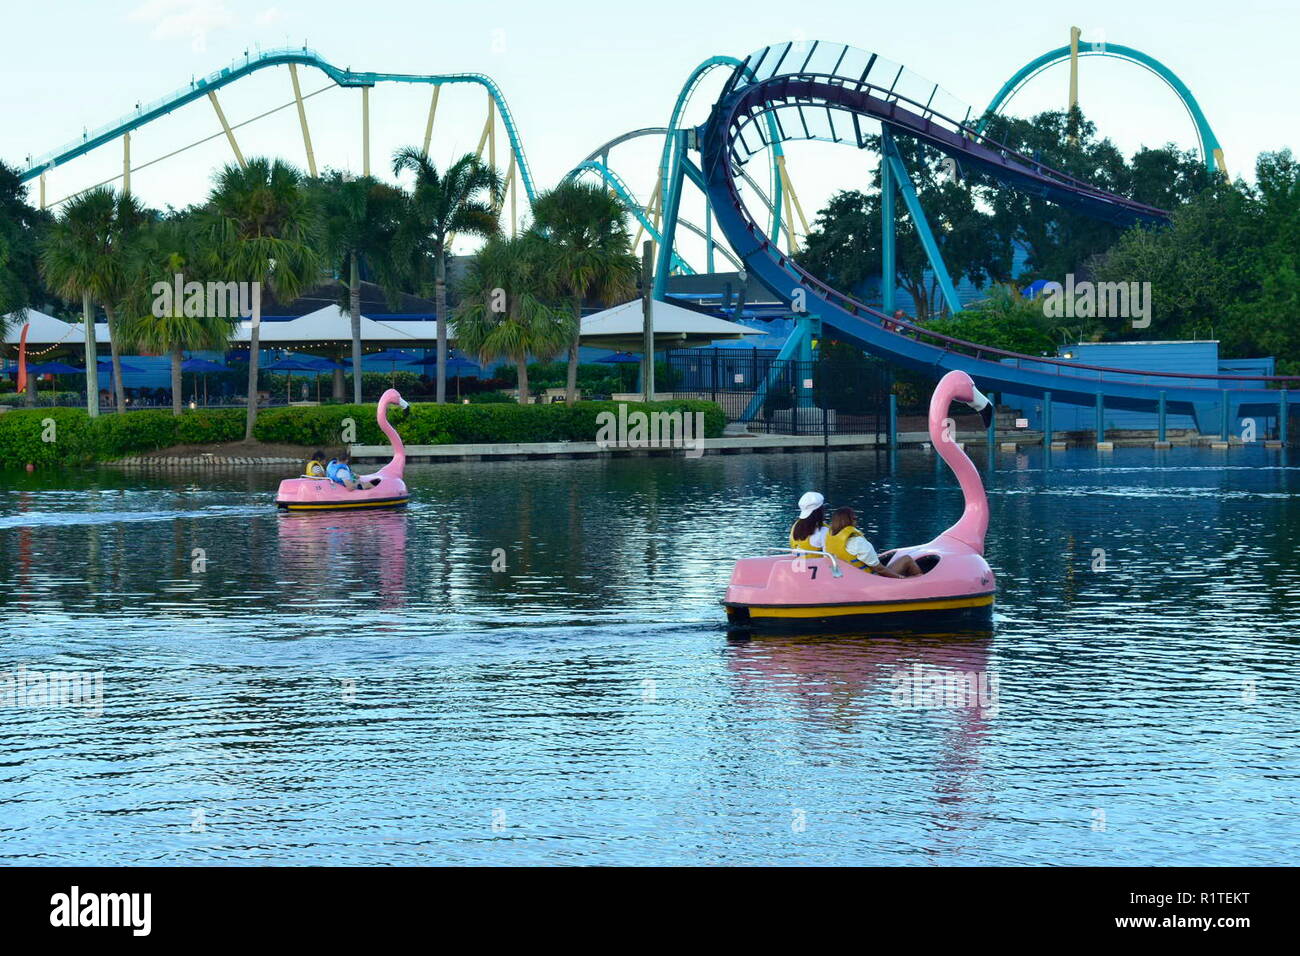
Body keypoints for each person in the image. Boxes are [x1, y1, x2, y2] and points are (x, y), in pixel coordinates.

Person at [826, 506, 924, 578]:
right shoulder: (857, 542)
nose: (856, 521)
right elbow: (879, 569)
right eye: (855, 518)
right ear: (848, 521)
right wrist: (900, 577)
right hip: (870, 580)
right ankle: (920, 582)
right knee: (906, 559)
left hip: (849, 577)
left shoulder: (829, 538)